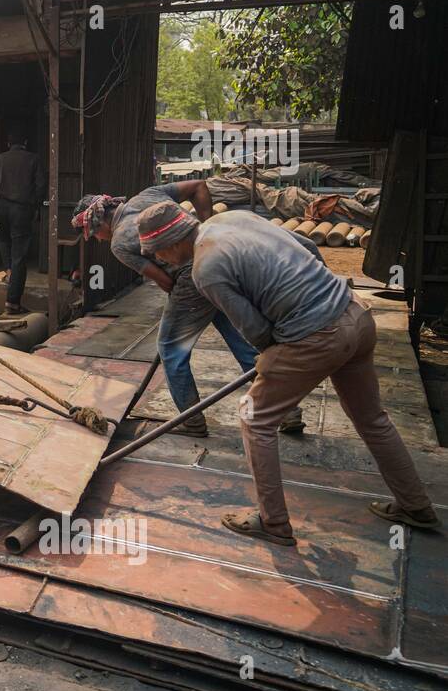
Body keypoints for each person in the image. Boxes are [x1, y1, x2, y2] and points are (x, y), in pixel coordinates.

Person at [137, 202, 440, 545]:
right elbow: (308, 247)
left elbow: (254, 331)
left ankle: (273, 523)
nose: (159, 259)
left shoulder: (205, 269)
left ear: (172, 242)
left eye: (157, 251)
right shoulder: (232, 218)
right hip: (355, 314)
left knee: (255, 418)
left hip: (318, 336)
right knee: (372, 418)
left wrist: (277, 357)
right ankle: (416, 506)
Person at [74, 184, 308, 438]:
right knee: (241, 342)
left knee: (170, 349)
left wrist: (183, 302)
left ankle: (192, 419)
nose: (98, 239)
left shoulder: (119, 242)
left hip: (191, 279)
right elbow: (199, 186)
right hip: (215, 261)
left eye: (94, 234)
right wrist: (206, 229)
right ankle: (287, 411)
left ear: (100, 224)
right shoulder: (149, 195)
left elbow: (165, 280)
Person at [0, 133, 44, 316]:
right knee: (19, 253)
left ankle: (9, 270)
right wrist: (36, 206)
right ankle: (13, 302)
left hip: (0, 206)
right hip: (20, 208)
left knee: (3, 240)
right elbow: (40, 187)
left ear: (8, 142)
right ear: (26, 142)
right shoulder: (33, 159)